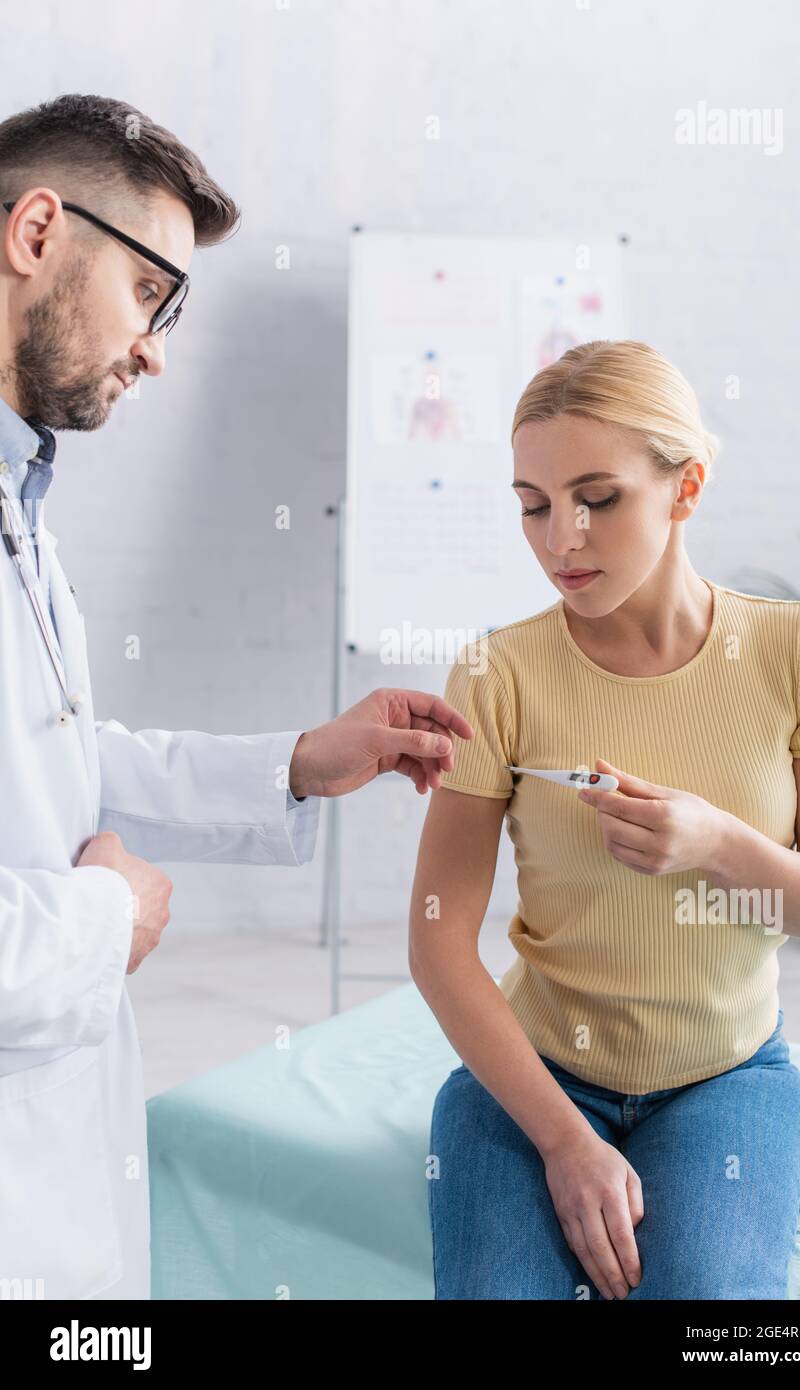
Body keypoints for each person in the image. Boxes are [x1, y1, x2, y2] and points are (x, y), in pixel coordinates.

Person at [0, 93, 472, 1301]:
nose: (156, 349)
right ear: (37, 233)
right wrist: (107, 915)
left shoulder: (25, 512)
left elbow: (50, 763)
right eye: (153, 293)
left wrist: (297, 761)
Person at [409, 339, 800, 1300]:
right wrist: (567, 1144)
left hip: (725, 1078)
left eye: (597, 499)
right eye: (532, 506)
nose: (559, 540)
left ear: (684, 489)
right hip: (535, 1079)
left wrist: (721, 845)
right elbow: (437, 942)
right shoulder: (500, 672)